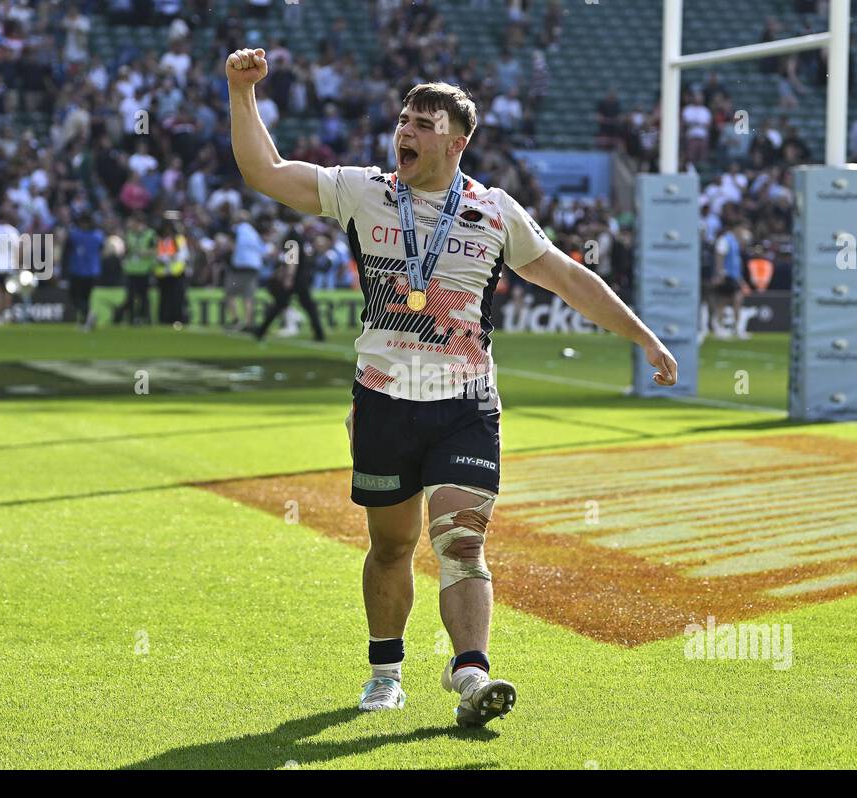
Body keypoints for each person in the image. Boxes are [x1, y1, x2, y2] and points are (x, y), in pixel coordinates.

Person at [225, 47, 678, 727]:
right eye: (403, 118)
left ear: (457, 141)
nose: (405, 130)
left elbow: (569, 278)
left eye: (423, 123)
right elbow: (264, 170)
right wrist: (242, 93)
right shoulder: (362, 189)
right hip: (382, 396)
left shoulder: (495, 212)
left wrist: (642, 336)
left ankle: (471, 673)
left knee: (462, 540)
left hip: (465, 402)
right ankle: (385, 670)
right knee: (392, 546)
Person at [253, 209, 326, 342]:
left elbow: (292, 258)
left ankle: (261, 331)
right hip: (301, 276)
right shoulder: (299, 234)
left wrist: (289, 277)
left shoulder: (292, 235)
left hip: (296, 277)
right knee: (307, 306)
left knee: (280, 304)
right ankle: (319, 333)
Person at [64, 212, 105, 331]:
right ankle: (85, 320)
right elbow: (102, 250)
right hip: (92, 271)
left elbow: (66, 252)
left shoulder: (74, 235)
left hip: (78, 271)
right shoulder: (98, 236)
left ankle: (88, 315)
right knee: (84, 297)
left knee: (76, 297)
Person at [117, 213, 157, 325]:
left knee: (143, 297)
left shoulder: (150, 234)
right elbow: (126, 251)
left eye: (133, 222)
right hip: (131, 270)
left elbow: (155, 250)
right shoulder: (129, 234)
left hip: (144, 270)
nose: (131, 224)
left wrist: (145, 253)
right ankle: (132, 318)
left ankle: (144, 318)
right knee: (130, 296)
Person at [154, 220, 189, 325]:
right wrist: (168, 257)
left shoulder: (179, 239)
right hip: (163, 274)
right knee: (164, 298)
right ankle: (164, 319)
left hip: (177, 273)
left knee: (177, 298)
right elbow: (158, 255)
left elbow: (182, 255)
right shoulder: (160, 240)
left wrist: (167, 257)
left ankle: (178, 319)